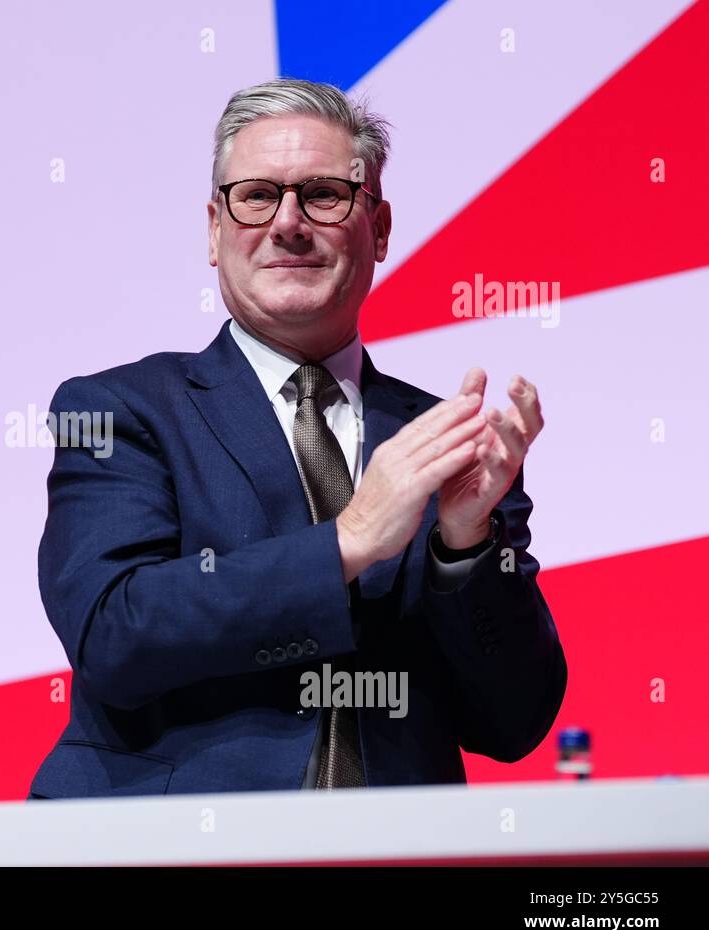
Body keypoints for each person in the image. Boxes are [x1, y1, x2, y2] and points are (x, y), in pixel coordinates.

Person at [28, 79, 566, 799]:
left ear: (379, 229)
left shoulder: (446, 443)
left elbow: (515, 722)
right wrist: (348, 542)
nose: (288, 223)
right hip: (170, 849)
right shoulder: (116, 411)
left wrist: (463, 549)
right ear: (214, 231)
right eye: (256, 196)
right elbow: (112, 635)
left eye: (323, 194)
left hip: (395, 854)